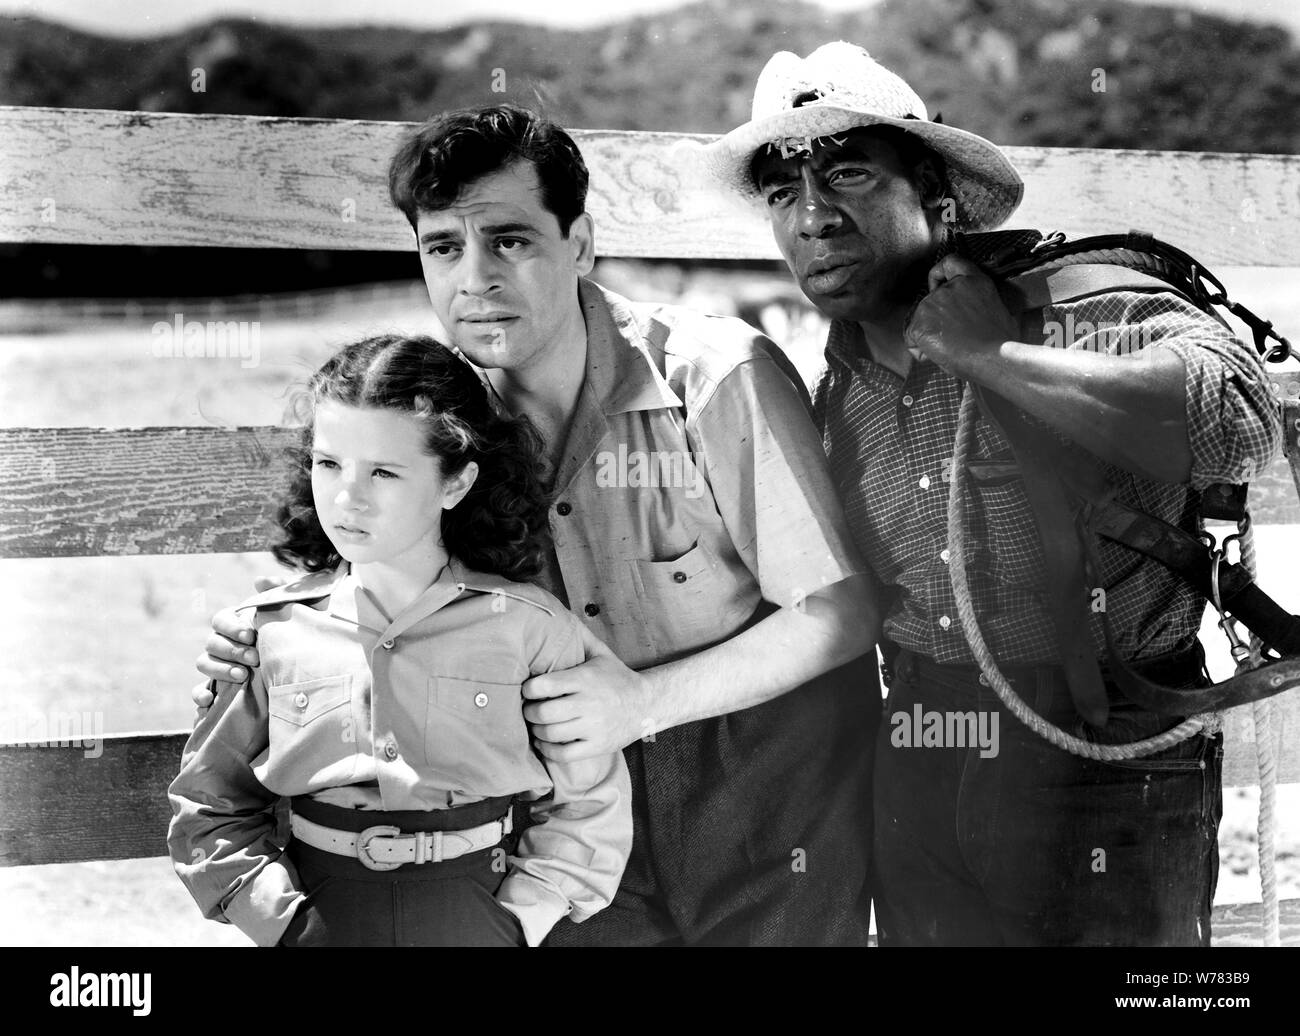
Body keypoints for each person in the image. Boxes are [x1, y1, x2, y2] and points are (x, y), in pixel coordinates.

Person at [194, 105, 883, 946]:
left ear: (581, 244)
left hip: (767, 782)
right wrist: (269, 636)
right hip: (569, 803)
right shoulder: (436, 419)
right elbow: (376, 560)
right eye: (443, 248)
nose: (474, 278)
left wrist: (637, 704)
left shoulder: (712, 374)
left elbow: (841, 613)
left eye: (510, 241)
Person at [701, 40, 1282, 946]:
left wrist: (990, 357)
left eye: (848, 175)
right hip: (923, 755)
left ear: (937, 194)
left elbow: (1239, 417)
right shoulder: (835, 389)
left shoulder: (1081, 306)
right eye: (784, 194)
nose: (812, 216)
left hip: (1107, 761)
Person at [169, 334, 631, 947]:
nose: (346, 497)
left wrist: (518, 921)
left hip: (478, 910)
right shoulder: (267, 633)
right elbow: (209, 804)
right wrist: (282, 924)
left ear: (455, 483)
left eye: (383, 472)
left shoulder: (528, 627)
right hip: (321, 913)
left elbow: (588, 801)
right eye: (328, 463)